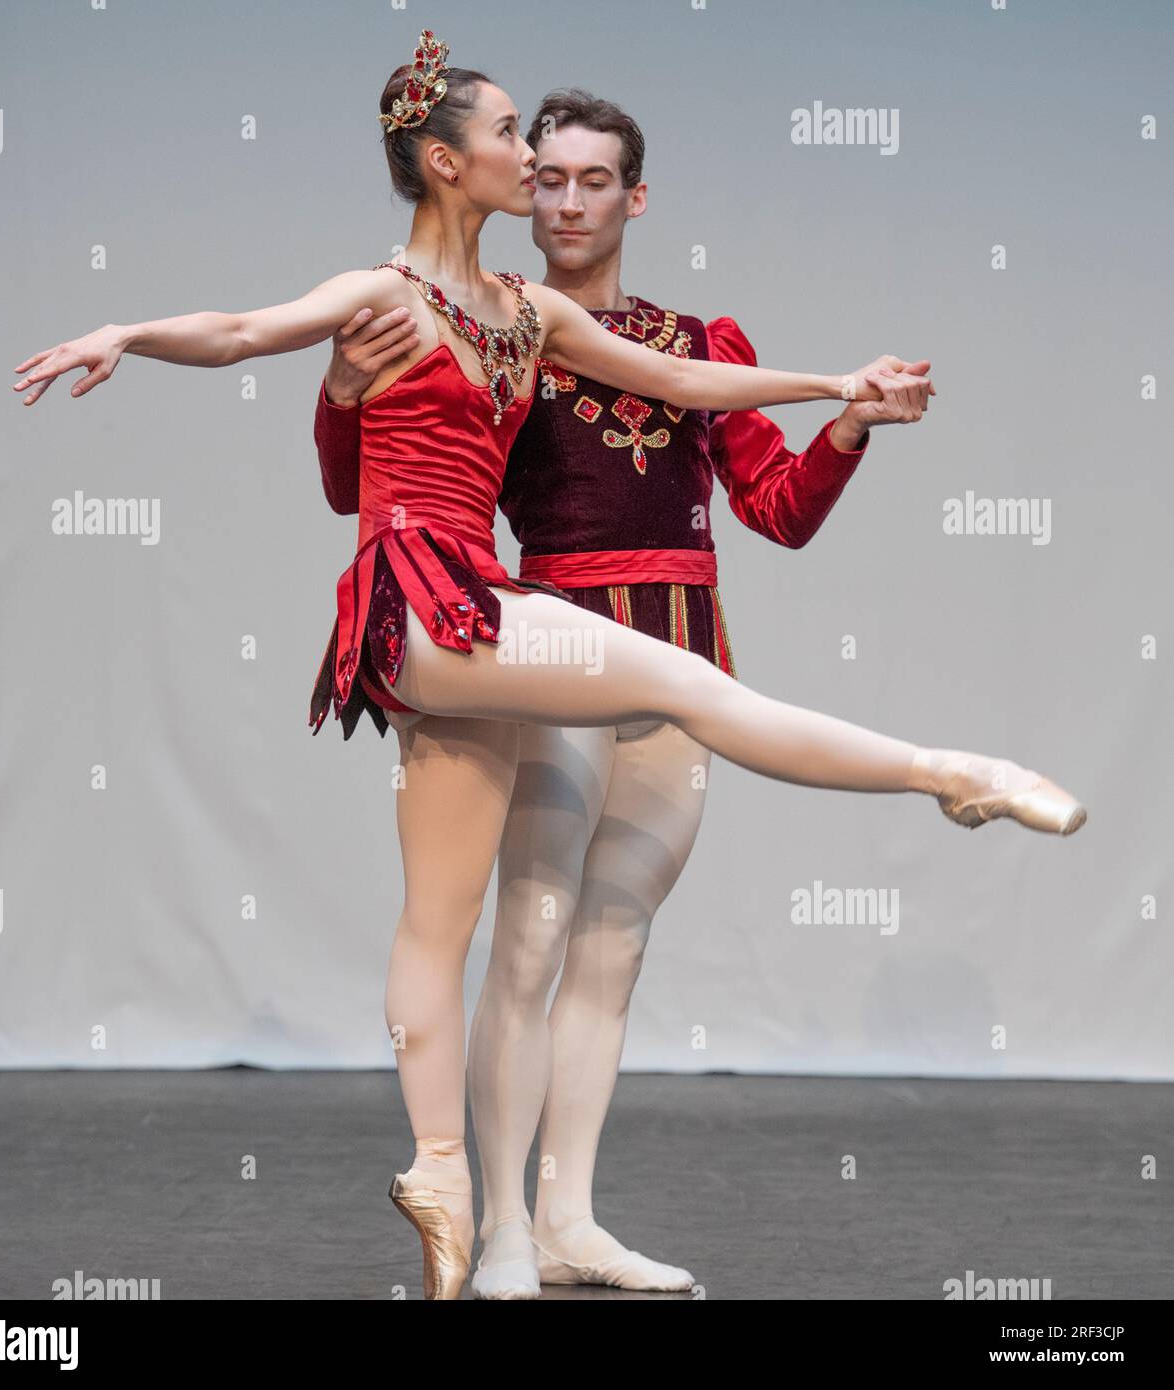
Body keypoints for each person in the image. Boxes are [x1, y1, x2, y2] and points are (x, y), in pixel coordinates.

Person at [12, 30, 1086, 1302]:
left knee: (452, 918)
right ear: (444, 162)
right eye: (518, 142)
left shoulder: (528, 316)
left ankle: (454, 1180)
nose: (538, 167)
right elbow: (251, 336)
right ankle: (943, 770)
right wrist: (130, 332)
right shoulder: (384, 297)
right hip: (453, 607)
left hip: (489, 624)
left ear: (633, 195)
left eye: (573, 163)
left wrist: (833, 386)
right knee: (671, 712)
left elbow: (683, 381)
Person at [310, 84, 935, 1300]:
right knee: (530, 942)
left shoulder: (705, 345)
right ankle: (494, 1237)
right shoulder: (498, 331)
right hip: (546, 654)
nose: (568, 199)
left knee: (611, 948)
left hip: (686, 653)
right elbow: (364, 488)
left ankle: (566, 1220)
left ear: (634, 197)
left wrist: (850, 424)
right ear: (515, 188)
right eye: (546, 176)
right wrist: (339, 392)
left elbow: (777, 514)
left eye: (596, 180)